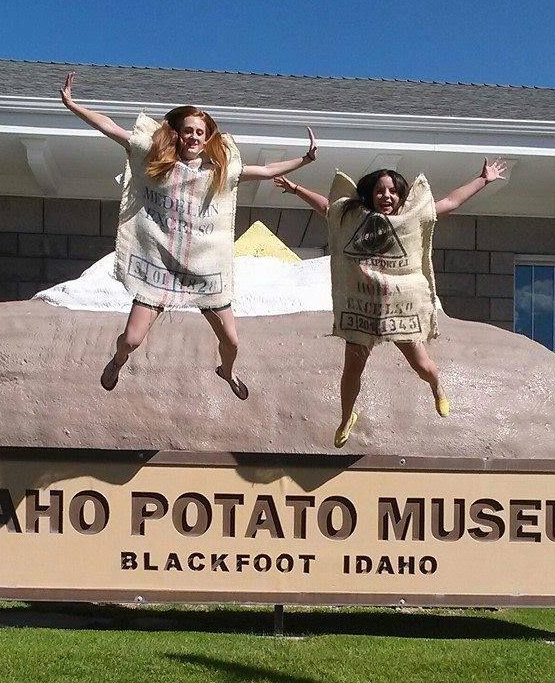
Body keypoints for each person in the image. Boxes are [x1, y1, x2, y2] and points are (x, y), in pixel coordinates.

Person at [60, 72, 317, 398]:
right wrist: (73, 106)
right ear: (178, 135)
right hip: (160, 268)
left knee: (232, 340)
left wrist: (305, 160)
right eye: (188, 131)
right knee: (132, 339)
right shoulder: (155, 160)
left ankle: (227, 371)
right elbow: (112, 129)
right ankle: (118, 360)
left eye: (200, 132)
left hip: (202, 272)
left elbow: (265, 171)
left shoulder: (217, 173)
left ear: (207, 139)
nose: (194, 137)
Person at [275, 157, 507, 447]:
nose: (386, 196)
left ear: (401, 196)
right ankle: (346, 418)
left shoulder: (412, 217)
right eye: (380, 191)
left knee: (423, 366)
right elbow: (327, 207)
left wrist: (483, 179)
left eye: (393, 191)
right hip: (362, 311)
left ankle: (437, 386)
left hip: (400, 311)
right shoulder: (355, 218)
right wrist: (296, 189)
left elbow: (450, 202)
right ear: (371, 194)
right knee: (351, 371)